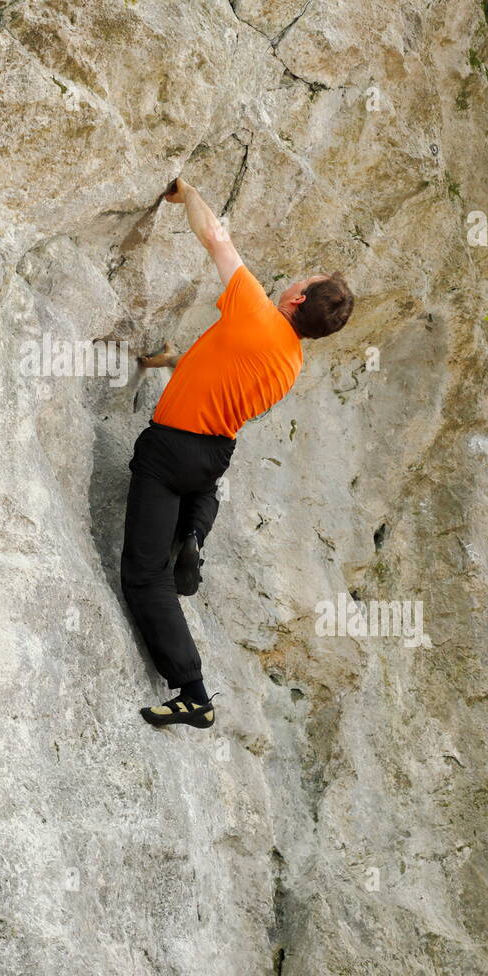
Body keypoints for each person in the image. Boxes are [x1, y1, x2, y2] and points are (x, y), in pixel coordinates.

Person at [122, 177, 355, 730]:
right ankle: (195, 534)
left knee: (143, 575)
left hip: (170, 449)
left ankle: (193, 693)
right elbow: (222, 372)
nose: (291, 281)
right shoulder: (289, 362)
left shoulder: (255, 311)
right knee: (194, 491)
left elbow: (215, 236)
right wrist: (167, 361)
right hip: (211, 457)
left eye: (300, 281)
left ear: (297, 299)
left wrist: (187, 190)